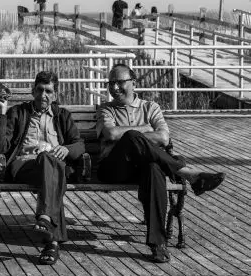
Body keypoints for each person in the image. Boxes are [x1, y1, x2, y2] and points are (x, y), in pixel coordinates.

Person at [96, 64, 226, 263]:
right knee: (131, 136)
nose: (114, 88)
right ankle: (187, 173)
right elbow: (111, 133)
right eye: (111, 83)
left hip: (142, 169)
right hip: (113, 168)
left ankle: (158, 244)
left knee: (154, 169)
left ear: (133, 83)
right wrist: (145, 129)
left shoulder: (151, 107)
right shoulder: (106, 109)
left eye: (119, 82)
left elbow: (164, 138)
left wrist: (136, 134)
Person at [0, 71, 84, 265]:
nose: (44, 95)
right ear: (33, 91)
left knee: (51, 164)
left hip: (53, 165)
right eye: (40, 90)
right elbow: (1, 147)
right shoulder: (18, 112)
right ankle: (51, 236)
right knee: (51, 168)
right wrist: (2, 112)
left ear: (55, 95)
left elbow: (79, 145)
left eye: (48, 91)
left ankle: (46, 225)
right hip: (25, 166)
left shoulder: (63, 116)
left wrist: (66, 150)